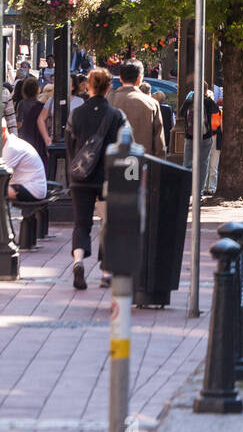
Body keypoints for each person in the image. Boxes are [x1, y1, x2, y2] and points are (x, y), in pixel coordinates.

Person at [65, 67, 127, 291]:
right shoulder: (117, 116)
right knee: (108, 223)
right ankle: (106, 272)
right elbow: (125, 147)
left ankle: (78, 260)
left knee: (81, 223)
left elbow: (69, 145)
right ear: (109, 87)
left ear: (88, 87)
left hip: (81, 177)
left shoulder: (76, 114)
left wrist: (73, 173)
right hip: (108, 178)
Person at [108, 60, 166, 156]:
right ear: (140, 79)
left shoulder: (108, 101)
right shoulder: (152, 104)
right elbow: (159, 144)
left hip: (112, 160)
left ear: (120, 78)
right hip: (143, 161)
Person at [180, 83, 218, 195]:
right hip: (205, 137)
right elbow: (216, 111)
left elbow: (182, 113)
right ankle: (199, 190)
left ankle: (187, 188)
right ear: (206, 90)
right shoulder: (208, 101)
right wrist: (207, 97)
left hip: (190, 136)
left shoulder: (188, 101)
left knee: (187, 163)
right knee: (203, 163)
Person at [2, 122, 47, 203]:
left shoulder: (11, 147)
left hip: (32, 189)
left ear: (3, 129)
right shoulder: (9, 143)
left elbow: (2, 174)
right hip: (26, 185)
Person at [16, 76, 50, 166]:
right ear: (37, 90)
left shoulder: (21, 104)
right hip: (37, 135)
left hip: (24, 135)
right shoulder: (41, 105)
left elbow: (19, 122)